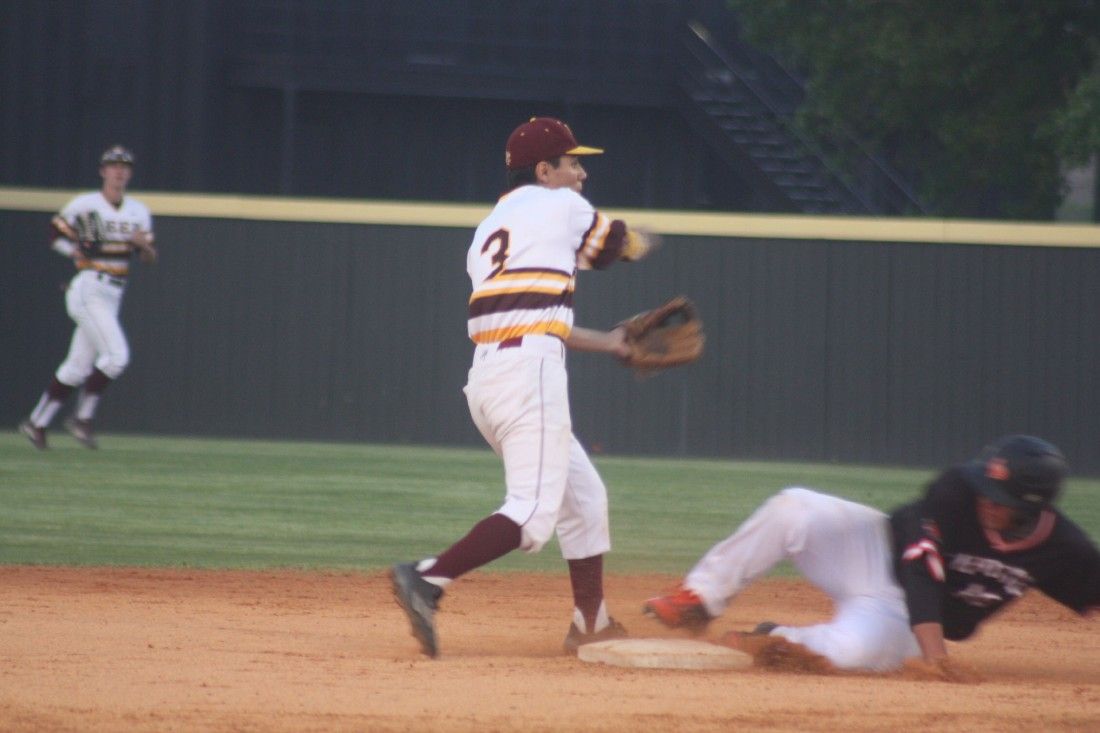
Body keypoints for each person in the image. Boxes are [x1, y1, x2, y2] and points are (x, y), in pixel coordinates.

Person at [390, 117, 656, 658]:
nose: (581, 174)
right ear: (543, 170)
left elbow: (533, 316)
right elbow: (612, 245)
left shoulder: (489, 229)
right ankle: (427, 578)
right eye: (573, 162)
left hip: (491, 378)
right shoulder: (558, 205)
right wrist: (639, 243)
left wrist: (612, 343)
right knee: (533, 512)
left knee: (583, 501)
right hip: (528, 373)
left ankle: (591, 621)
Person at [644, 435, 1100, 681]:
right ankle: (700, 598)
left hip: (903, 616)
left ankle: (771, 639)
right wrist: (936, 660)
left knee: (852, 653)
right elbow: (921, 568)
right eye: (986, 488)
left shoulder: (1064, 549)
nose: (986, 500)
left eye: (999, 498)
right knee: (795, 506)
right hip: (873, 549)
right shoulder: (958, 489)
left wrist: (930, 651)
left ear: (1032, 507)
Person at [18, 145, 157, 450]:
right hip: (89, 286)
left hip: (114, 291)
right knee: (117, 357)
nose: (119, 170)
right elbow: (55, 234)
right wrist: (74, 251)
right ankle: (82, 418)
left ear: (129, 173)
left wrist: (142, 246)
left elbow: (149, 258)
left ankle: (37, 423)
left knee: (78, 366)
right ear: (102, 171)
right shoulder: (85, 204)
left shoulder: (138, 212)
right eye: (113, 165)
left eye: (124, 166)